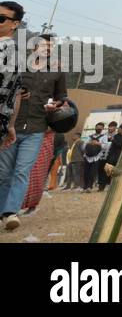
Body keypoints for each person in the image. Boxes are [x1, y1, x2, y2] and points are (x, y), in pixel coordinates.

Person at [0, 32, 68, 231]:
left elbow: (62, 96)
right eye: (44, 46)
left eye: (51, 47)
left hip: (37, 127)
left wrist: (57, 104)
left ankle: (10, 213)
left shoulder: (57, 71)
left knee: (22, 171)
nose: (48, 49)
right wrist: (17, 91)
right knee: (4, 173)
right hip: (11, 125)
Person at [0, 2, 23, 150]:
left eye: (1, 18)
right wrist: (11, 125)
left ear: (15, 24)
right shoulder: (19, 57)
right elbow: (17, 94)